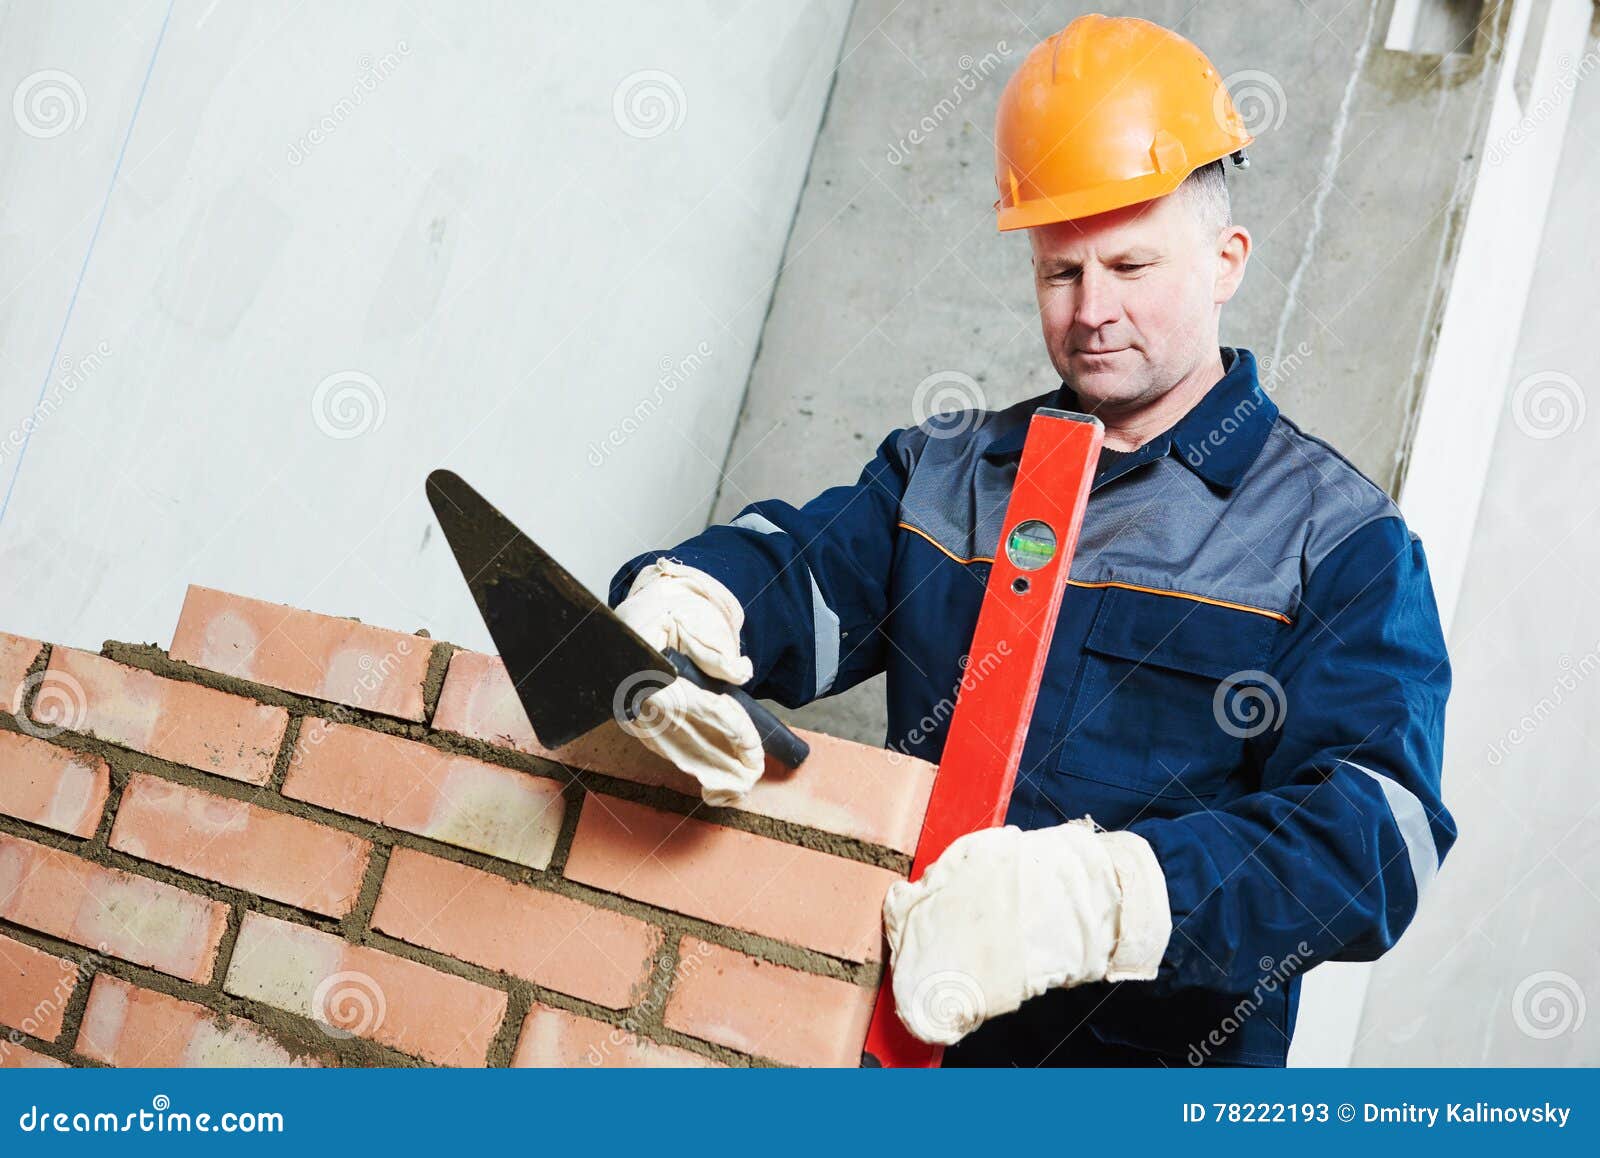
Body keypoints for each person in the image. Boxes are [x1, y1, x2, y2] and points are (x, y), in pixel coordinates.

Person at [606, 14, 1455, 1067]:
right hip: (900, 1061)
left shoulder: (1339, 541)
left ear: (1225, 262)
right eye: (1061, 273)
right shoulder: (946, 473)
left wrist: (1107, 900)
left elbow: (1376, 843)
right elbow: (794, 575)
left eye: (1131, 266)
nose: (1092, 310)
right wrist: (689, 598)